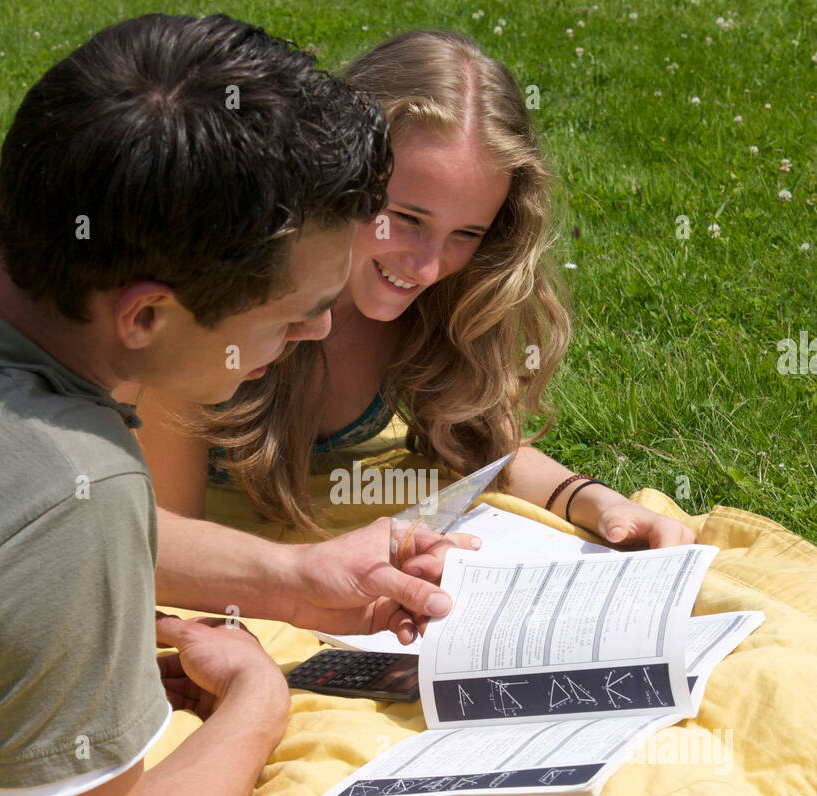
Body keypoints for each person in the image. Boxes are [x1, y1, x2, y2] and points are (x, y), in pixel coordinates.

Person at [0, 13, 473, 796]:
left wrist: (287, 576)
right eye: (295, 315)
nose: (318, 335)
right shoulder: (72, 490)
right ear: (146, 313)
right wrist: (256, 703)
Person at [125, 29, 696, 549]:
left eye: (466, 232)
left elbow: (481, 451)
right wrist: (307, 582)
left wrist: (593, 501)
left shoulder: (447, 301)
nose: (426, 267)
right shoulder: (216, 304)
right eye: (406, 218)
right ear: (334, 175)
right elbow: (158, 549)